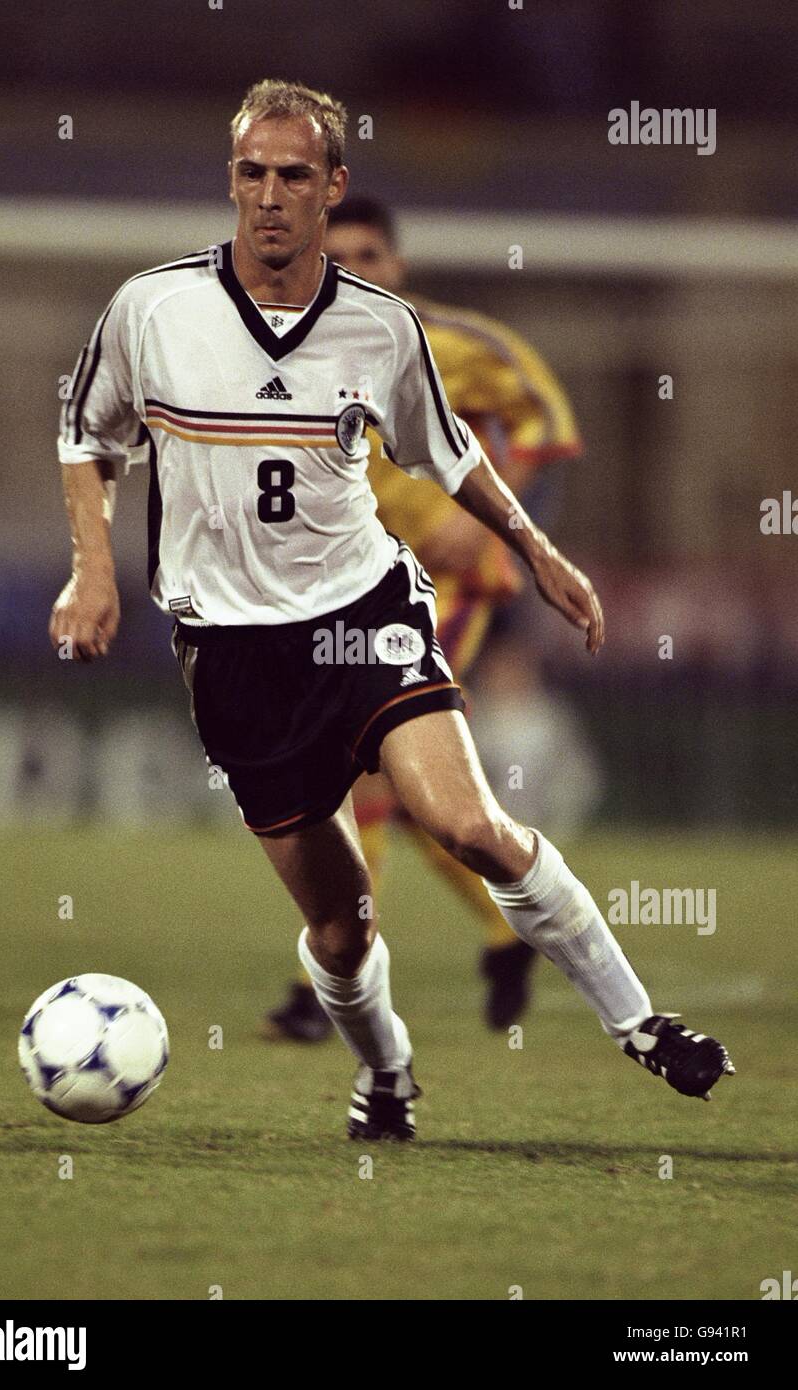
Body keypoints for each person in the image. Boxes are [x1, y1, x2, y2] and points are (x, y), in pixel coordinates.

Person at [50, 79, 733, 1141]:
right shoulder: (152, 311)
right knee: (337, 925)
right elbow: (85, 440)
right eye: (249, 174)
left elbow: (450, 455)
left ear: (332, 187)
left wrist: (537, 549)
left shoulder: (380, 329)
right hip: (232, 655)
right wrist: (91, 572)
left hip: (364, 611)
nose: (268, 197)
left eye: (291, 176)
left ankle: (639, 1023)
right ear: (230, 179)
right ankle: (387, 1073)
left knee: (469, 825)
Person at [265, 195, 583, 1042]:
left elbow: (546, 423)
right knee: (401, 795)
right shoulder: (294, 356)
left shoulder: (456, 343)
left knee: (362, 766)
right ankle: (504, 928)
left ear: (398, 265)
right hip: (346, 587)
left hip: (441, 588)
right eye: (343, 256)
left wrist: (491, 525)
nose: (358, 270)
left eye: (372, 255)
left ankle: (324, 989)